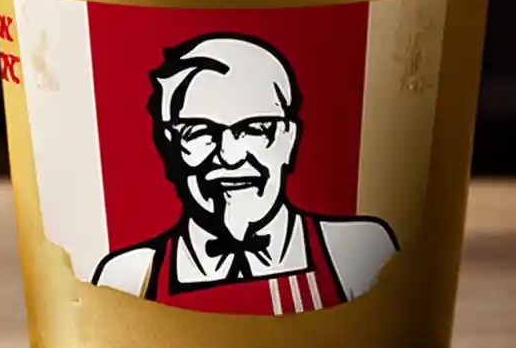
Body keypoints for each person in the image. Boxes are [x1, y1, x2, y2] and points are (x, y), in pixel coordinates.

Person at [91, 33, 398, 315]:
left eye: (254, 129)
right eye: (200, 132)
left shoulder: (355, 249)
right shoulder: (131, 275)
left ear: (289, 139)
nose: (230, 155)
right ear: (170, 148)